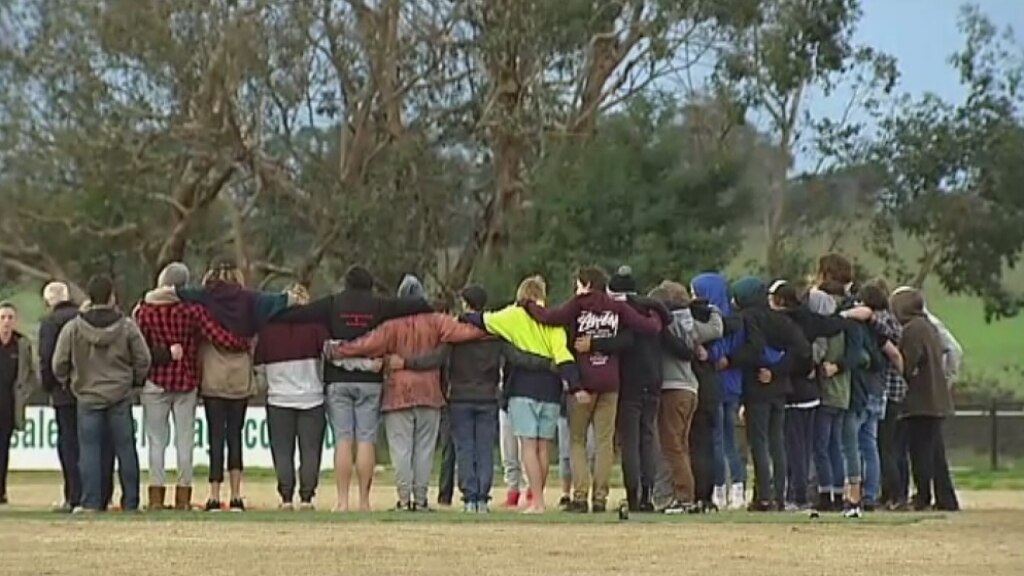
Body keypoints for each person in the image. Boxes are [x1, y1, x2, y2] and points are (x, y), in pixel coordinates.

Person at [272, 265, 432, 512]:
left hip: (338, 381)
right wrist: (429, 306)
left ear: (346, 284)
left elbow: (301, 314)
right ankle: (365, 503)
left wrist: (274, 313)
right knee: (366, 440)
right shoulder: (379, 305)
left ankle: (343, 501)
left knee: (344, 441)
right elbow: (411, 305)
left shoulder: (333, 303)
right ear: (369, 285)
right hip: (370, 381)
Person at [327, 275, 488, 511]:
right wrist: (496, 328)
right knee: (424, 450)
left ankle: (404, 500)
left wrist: (338, 350)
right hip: (430, 392)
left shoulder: (391, 325)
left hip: (398, 393)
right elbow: (467, 332)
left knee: (401, 450)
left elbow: (366, 345)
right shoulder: (437, 321)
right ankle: (421, 500)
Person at [399, 285, 556, 513]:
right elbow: (519, 358)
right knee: (484, 449)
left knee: (464, 448)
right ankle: (482, 496)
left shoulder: (456, 332)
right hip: (487, 397)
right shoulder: (494, 333)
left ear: (465, 303)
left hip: (461, 397)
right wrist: (548, 362)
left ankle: (469, 496)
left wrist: (406, 362)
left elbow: (436, 359)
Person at [522, 266, 662, 513]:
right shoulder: (616, 307)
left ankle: (580, 495)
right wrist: (657, 315)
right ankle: (600, 497)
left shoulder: (578, 304)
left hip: (584, 380)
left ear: (586, 284)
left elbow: (550, 317)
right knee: (604, 442)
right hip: (611, 380)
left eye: (578, 284)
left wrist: (529, 305)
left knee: (576, 440)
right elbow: (647, 327)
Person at [134, 262, 252, 511]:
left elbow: (139, 351)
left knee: (156, 441)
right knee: (184, 441)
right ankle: (183, 497)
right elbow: (216, 335)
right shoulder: (191, 310)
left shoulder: (143, 310)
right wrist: (242, 343)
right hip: (186, 381)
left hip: (155, 382)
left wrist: (161, 355)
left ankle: (156, 497)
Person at [461, 275, 580, 514]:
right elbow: (562, 354)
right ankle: (539, 496)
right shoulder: (553, 320)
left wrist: (463, 316)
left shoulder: (513, 315)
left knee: (527, 446)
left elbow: (482, 320)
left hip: (523, 387)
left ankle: (536, 502)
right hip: (550, 388)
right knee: (544, 448)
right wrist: (575, 384)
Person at [52, 275, 152, 513]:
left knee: (89, 451)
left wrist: (69, 381)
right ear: (111, 297)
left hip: (87, 396)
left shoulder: (74, 328)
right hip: (120, 395)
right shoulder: (126, 327)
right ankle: (131, 502)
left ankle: (91, 502)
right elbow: (144, 359)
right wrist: (134, 381)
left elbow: (59, 363)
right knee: (126, 449)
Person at [728, 276, 810, 511]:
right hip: (780, 388)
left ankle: (763, 496)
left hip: (757, 388)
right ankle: (778, 496)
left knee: (759, 443)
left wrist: (731, 360)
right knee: (777, 443)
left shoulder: (748, 318)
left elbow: (753, 349)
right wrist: (778, 371)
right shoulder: (781, 320)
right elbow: (803, 350)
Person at [649, 281, 723, 514]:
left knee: (671, 447)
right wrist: (714, 310)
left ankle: (683, 496)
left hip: (672, 388)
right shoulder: (691, 323)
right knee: (682, 445)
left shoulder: (664, 324)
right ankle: (685, 493)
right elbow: (716, 329)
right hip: (691, 387)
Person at [605, 266, 672, 512]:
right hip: (654, 378)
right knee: (647, 436)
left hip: (630, 380)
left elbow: (625, 342)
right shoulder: (652, 311)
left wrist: (597, 343)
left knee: (630, 441)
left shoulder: (621, 314)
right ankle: (648, 494)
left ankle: (633, 495)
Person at [254, 300, 329, 511]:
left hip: (279, 399)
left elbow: (259, 367)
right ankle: (307, 497)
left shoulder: (268, 331)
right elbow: (327, 359)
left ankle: (286, 497)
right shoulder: (317, 328)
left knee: (282, 451)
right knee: (311, 451)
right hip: (312, 399)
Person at [890, 287, 959, 512]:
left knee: (920, 452)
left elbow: (908, 364)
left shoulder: (912, 330)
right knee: (935, 452)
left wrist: (896, 361)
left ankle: (923, 496)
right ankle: (945, 498)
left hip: (921, 402)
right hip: (937, 399)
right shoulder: (928, 326)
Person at [691, 272, 747, 510]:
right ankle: (738, 488)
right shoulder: (735, 319)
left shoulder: (707, 320)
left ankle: (719, 489)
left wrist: (711, 356)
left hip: (715, 385)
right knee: (731, 440)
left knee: (717, 440)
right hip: (734, 384)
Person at [38, 282, 90, 512]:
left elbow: (47, 357)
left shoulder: (50, 323)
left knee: (68, 445)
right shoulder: (83, 318)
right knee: (88, 443)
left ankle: (73, 495)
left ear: (49, 300)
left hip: (63, 392)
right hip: (87, 389)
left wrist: (49, 385)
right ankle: (93, 494)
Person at [0, 302, 38, 505]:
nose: (6, 322)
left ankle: (1, 490)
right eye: (2, 317)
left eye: (9, 318)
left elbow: (31, 373)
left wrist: (24, 394)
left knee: (3, 449)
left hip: (8, 404)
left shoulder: (21, 344)